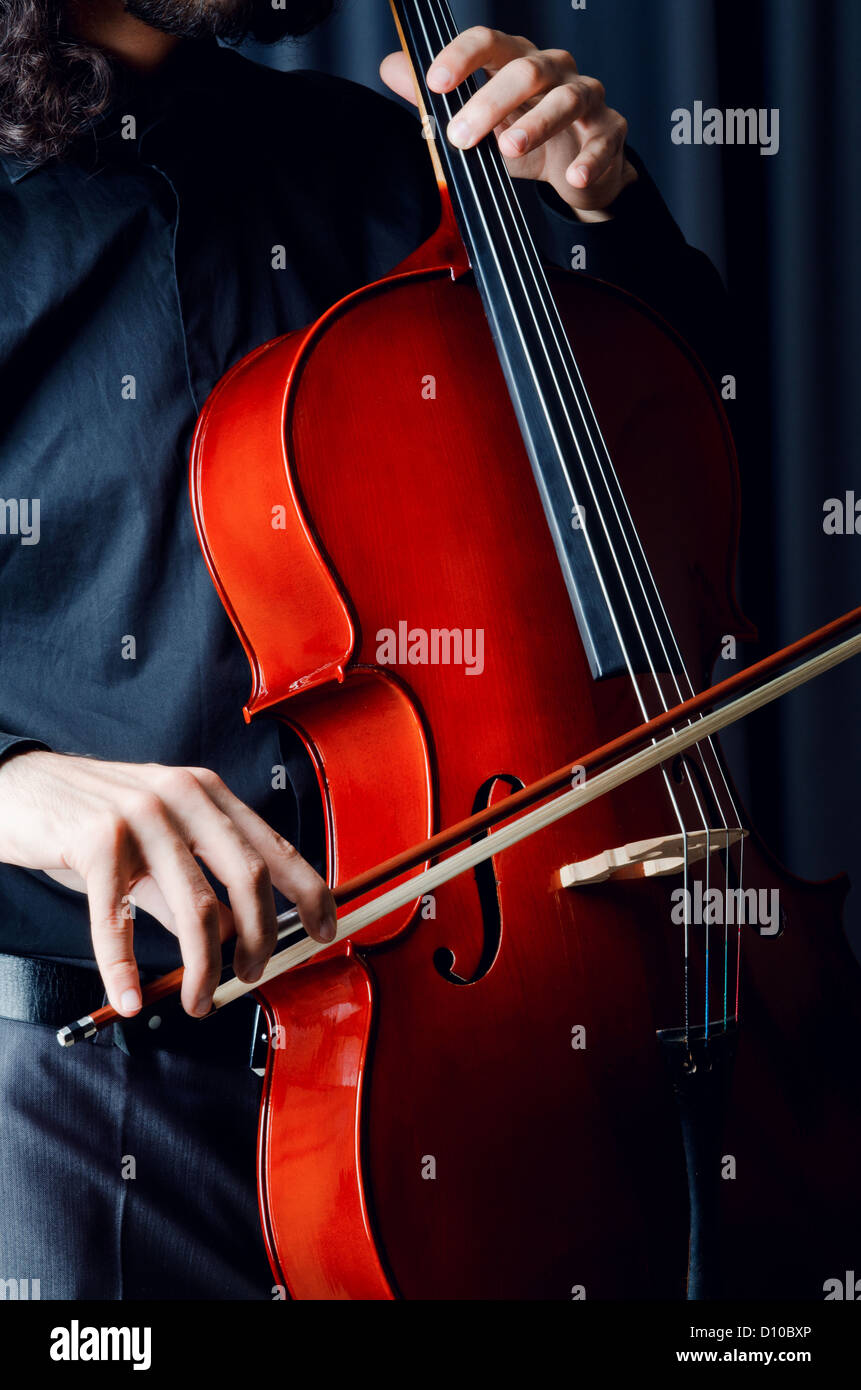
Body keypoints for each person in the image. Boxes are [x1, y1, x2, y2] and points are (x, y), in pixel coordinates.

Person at [0, 0, 729, 1299]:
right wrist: (17, 785)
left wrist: (601, 216)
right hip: (83, 1094)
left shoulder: (393, 164)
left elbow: (666, 463)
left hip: (471, 1059)